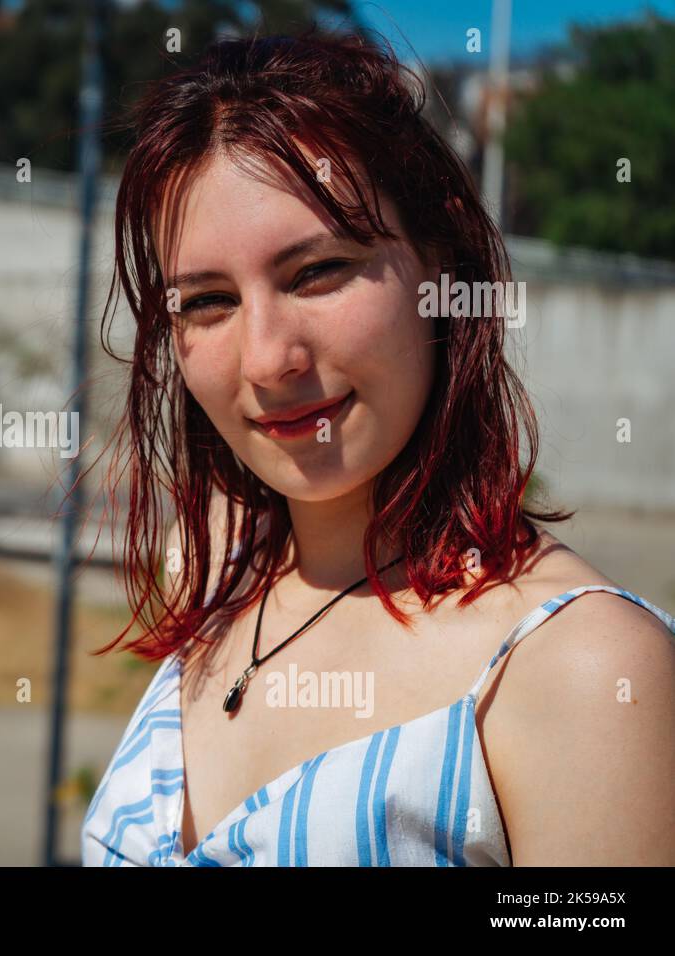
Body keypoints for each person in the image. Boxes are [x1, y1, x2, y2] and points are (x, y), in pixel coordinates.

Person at [80, 32, 675, 866]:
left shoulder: (583, 669)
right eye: (207, 301)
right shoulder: (229, 600)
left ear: (442, 267)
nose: (267, 358)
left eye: (318, 272)